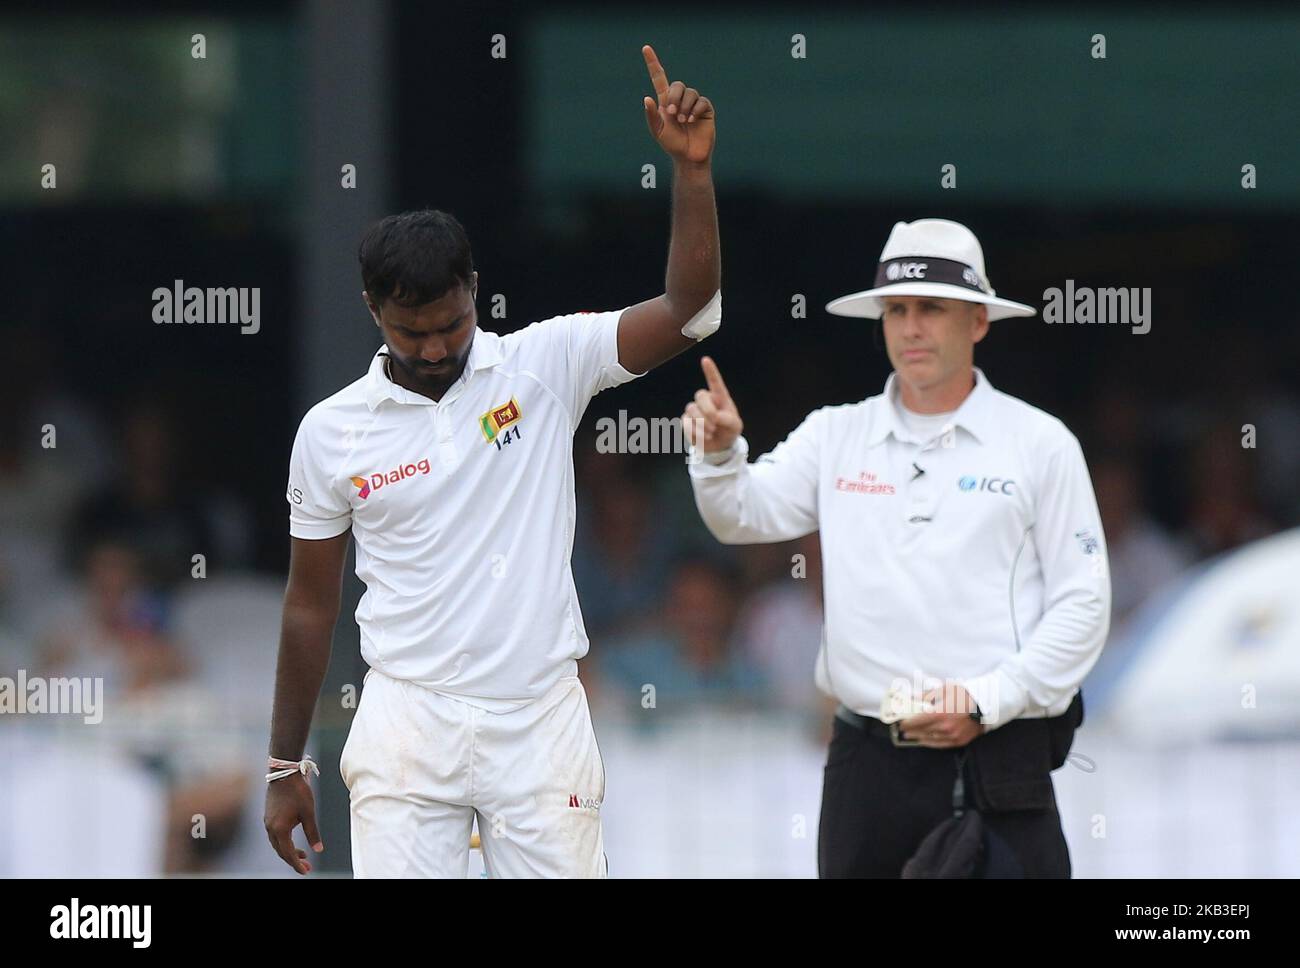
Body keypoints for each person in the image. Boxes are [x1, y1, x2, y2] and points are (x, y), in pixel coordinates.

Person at [264, 45, 721, 878]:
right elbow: (308, 606)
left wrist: (690, 174)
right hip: (406, 719)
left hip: (540, 714)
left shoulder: (545, 364)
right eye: (412, 331)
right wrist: (283, 764)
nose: (437, 347)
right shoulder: (332, 432)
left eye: (453, 321)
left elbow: (690, 314)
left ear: (476, 287)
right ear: (373, 310)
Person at [680, 219, 1111, 877]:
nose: (911, 327)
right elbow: (742, 514)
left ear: (978, 322)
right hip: (868, 763)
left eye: (932, 308)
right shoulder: (835, 434)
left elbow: (1084, 607)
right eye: (897, 309)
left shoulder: (1040, 443)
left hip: (999, 757)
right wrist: (716, 455)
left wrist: (986, 700)